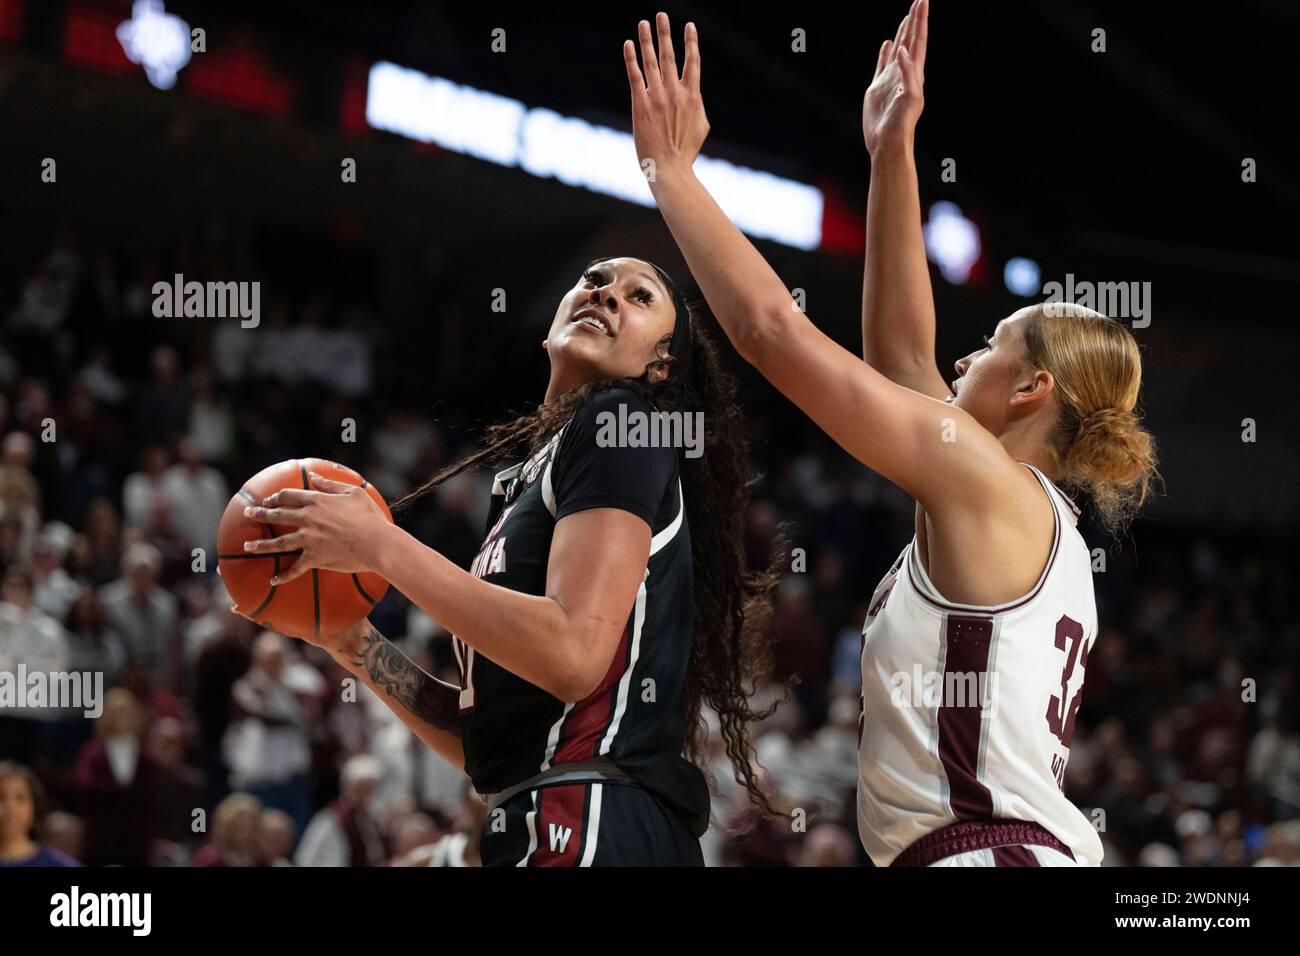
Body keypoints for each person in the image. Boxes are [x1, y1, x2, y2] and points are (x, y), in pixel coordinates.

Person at [622, 7, 1156, 867]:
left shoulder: (991, 488)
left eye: (989, 347)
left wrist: (672, 173)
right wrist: (892, 150)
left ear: (1029, 388)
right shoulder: (1004, 506)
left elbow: (770, 331)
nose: (963, 358)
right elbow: (902, 361)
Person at [233, 252, 778, 866]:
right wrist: (355, 644)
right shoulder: (527, 481)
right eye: (594, 281)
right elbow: (485, 748)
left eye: (639, 296)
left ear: (661, 365)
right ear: (551, 327)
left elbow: (572, 655)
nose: (607, 295)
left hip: (594, 820)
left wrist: (381, 545)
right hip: (546, 813)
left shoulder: (619, 420)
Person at [0, 761, 79, 867]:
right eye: (1, 797)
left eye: (20, 798)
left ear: (35, 806)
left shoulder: (59, 864)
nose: (10, 807)